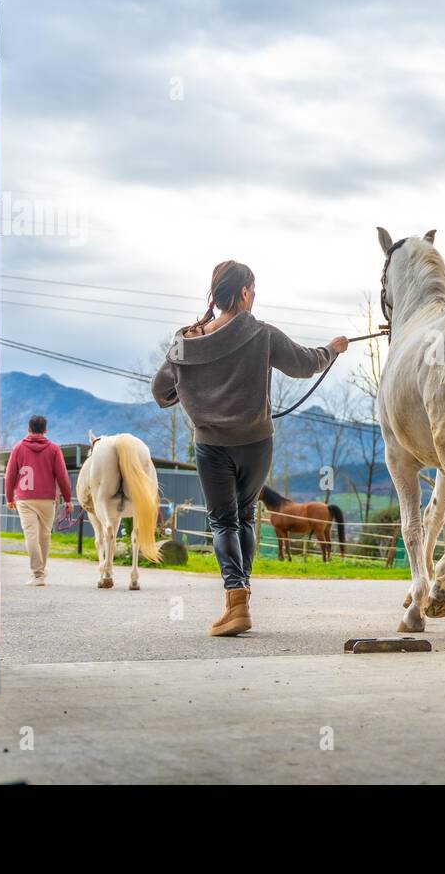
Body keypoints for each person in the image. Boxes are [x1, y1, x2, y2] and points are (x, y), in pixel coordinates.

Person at [152, 260, 348, 636]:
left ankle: (235, 598)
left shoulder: (186, 341)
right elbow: (306, 364)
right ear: (243, 293)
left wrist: (196, 393)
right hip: (256, 443)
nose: (254, 296)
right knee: (243, 516)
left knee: (222, 520)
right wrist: (332, 349)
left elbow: (161, 392)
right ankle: (241, 599)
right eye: (253, 290)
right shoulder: (262, 335)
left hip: (211, 446)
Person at [5, 415, 74, 586]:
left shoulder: (18, 447)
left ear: (28, 429)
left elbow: (10, 475)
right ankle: (41, 573)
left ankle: (38, 575)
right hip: (47, 499)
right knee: (45, 536)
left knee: (31, 535)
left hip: (25, 498)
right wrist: (68, 499)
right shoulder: (54, 449)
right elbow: (63, 476)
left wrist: (9, 497)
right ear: (45, 430)